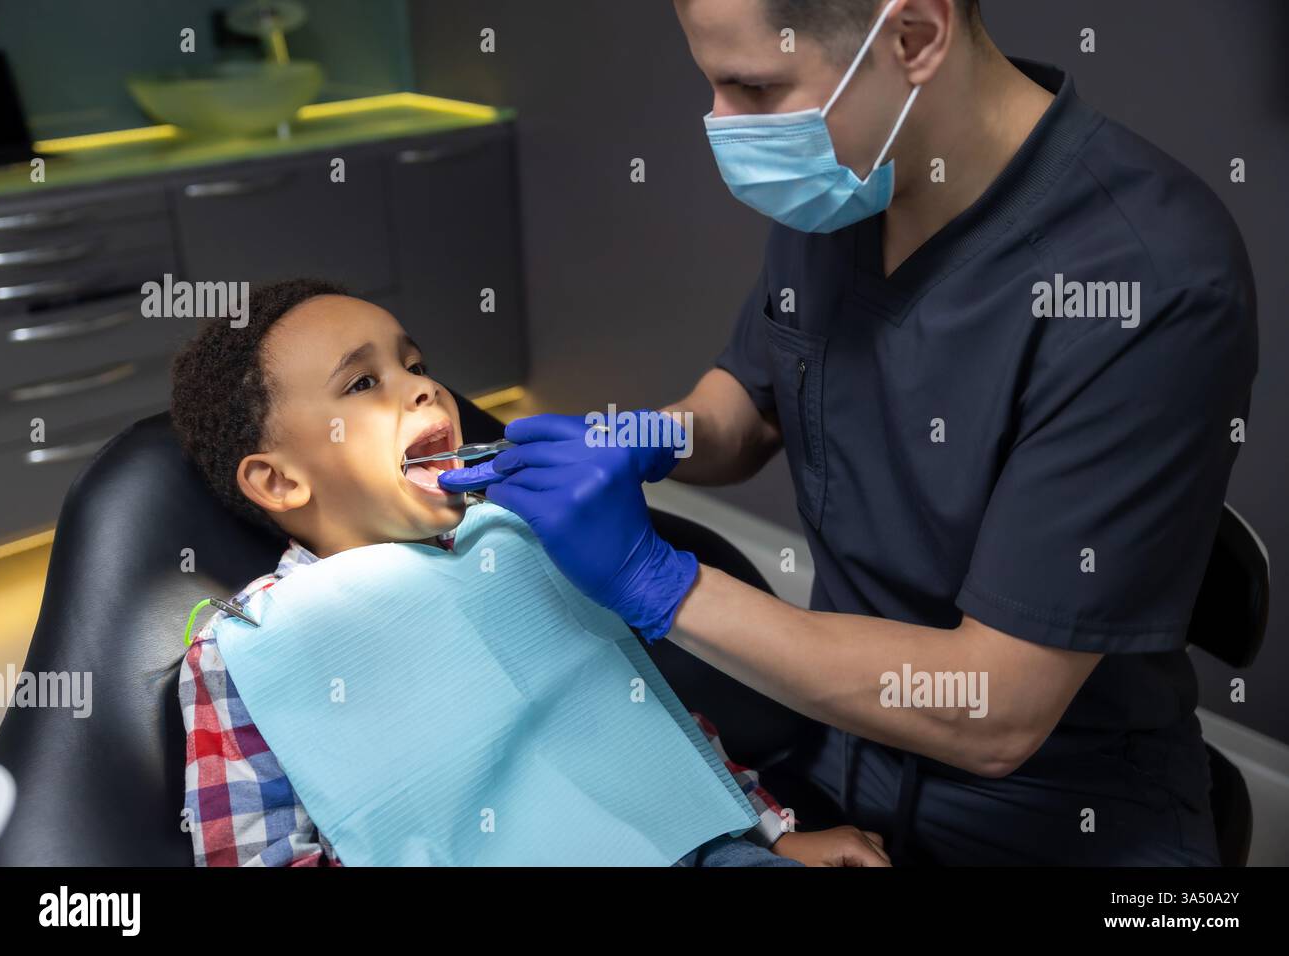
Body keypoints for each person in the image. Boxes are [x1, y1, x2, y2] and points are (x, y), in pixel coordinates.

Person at [440, 0, 1258, 865]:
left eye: (753, 86)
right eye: (711, 81)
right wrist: (652, 435)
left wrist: (661, 585)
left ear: (913, 38)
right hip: (834, 760)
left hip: (1050, 819)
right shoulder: (848, 182)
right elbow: (749, 406)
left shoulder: (1145, 282)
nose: (722, 124)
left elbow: (998, 710)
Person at [169, 278, 889, 866]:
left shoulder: (520, 539)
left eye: (415, 365)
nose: (423, 390)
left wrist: (774, 834)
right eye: (362, 384)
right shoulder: (253, 644)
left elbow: (650, 723)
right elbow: (253, 856)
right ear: (279, 480)